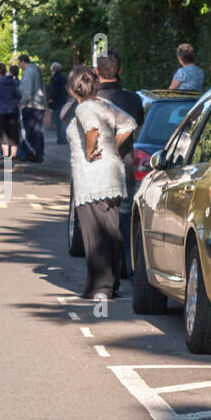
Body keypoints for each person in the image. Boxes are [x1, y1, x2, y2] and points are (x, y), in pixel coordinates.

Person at [65, 64, 138, 299]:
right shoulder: (105, 105)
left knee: (94, 235)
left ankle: (99, 287)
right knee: (110, 233)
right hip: (113, 174)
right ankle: (111, 284)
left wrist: (90, 151)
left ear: (73, 87)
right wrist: (114, 148)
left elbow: (92, 130)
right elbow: (128, 123)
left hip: (92, 178)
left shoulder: (83, 108)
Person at [95, 52, 144, 277]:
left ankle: (105, 267)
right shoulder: (133, 99)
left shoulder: (90, 100)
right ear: (120, 71)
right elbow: (138, 124)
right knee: (125, 215)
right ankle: (127, 265)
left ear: (97, 72)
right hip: (123, 164)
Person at [17, 53, 48, 162]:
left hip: (31, 105)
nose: (19, 66)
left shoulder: (29, 72)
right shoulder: (36, 70)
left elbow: (27, 90)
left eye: (19, 63)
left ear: (22, 61)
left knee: (31, 131)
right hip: (39, 105)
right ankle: (39, 154)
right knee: (38, 131)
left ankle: (34, 154)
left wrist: (22, 102)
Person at [0, 63, 21, 159]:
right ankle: (13, 154)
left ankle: (5, 154)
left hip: (0, 111)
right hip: (13, 110)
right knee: (13, 132)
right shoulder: (13, 82)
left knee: (2, 133)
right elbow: (18, 94)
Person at [48, 62, 68, 144]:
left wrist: (50, 99)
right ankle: (64, 138)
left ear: (53, 70)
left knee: (58, 121)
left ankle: (60, 139)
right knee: (62, 121)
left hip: (57, 102)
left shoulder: (55, 79)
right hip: (64, 100)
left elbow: (53, 91)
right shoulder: (64, 77)